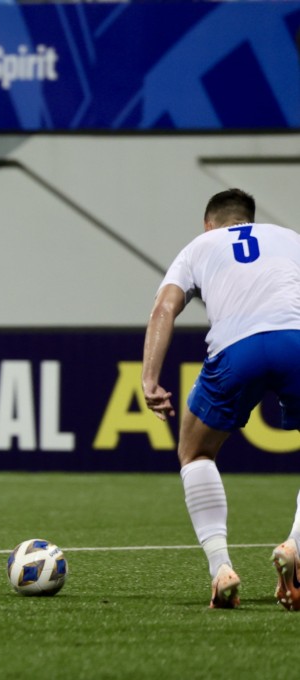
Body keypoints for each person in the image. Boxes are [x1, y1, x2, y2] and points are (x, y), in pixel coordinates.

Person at [142, 187, 300, 610]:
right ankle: (296, 546)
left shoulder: (199, 246)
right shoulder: (289, 237)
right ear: (250, 218)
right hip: (296, 340)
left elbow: (163, 309)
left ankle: (221, 569)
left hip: (237, 349)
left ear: (208, 223)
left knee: (195, 453)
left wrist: (150, 379)